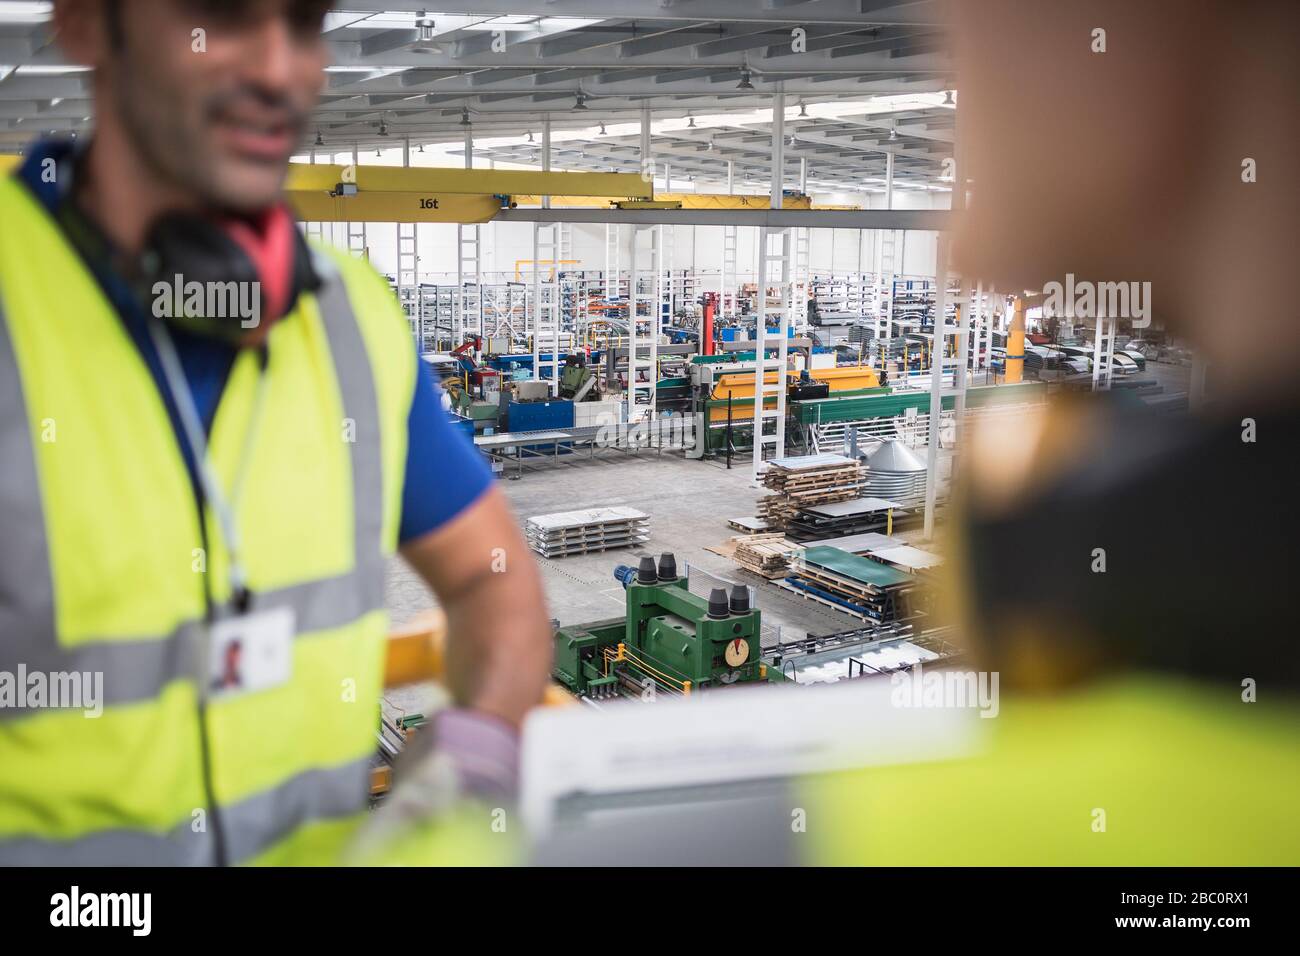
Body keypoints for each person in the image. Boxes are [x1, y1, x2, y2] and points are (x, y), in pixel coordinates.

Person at [0, 0, 552, 866]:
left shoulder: (354, 322)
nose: (279, 69)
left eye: (302, 23)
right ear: (80, 23)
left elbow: (497, 587)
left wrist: (463, 779)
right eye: (217, 15)